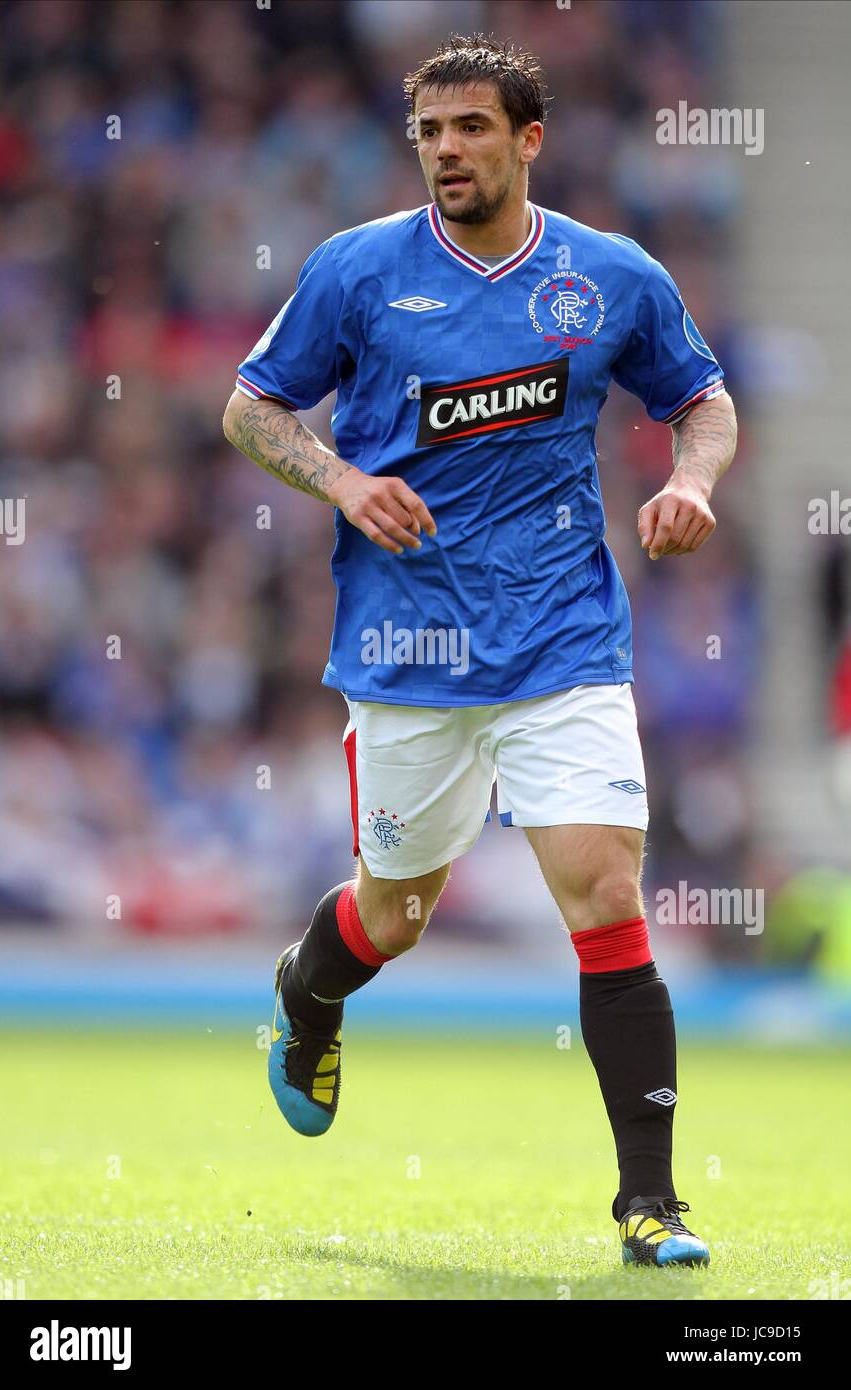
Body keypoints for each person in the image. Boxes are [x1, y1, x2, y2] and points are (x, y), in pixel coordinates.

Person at [223, 34, 737, 1268]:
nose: (447, 150)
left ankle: (647, 1204)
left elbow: (701, 400)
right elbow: (251, 406)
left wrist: (695, 482)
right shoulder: (357, 272)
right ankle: (310, 990)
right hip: (407, 652)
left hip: (563, 640)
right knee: (395, 916)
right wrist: (345, 481)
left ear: (527, 141)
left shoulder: (609, 277)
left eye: (470, 129)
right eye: (430, 132)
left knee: (607, 900)